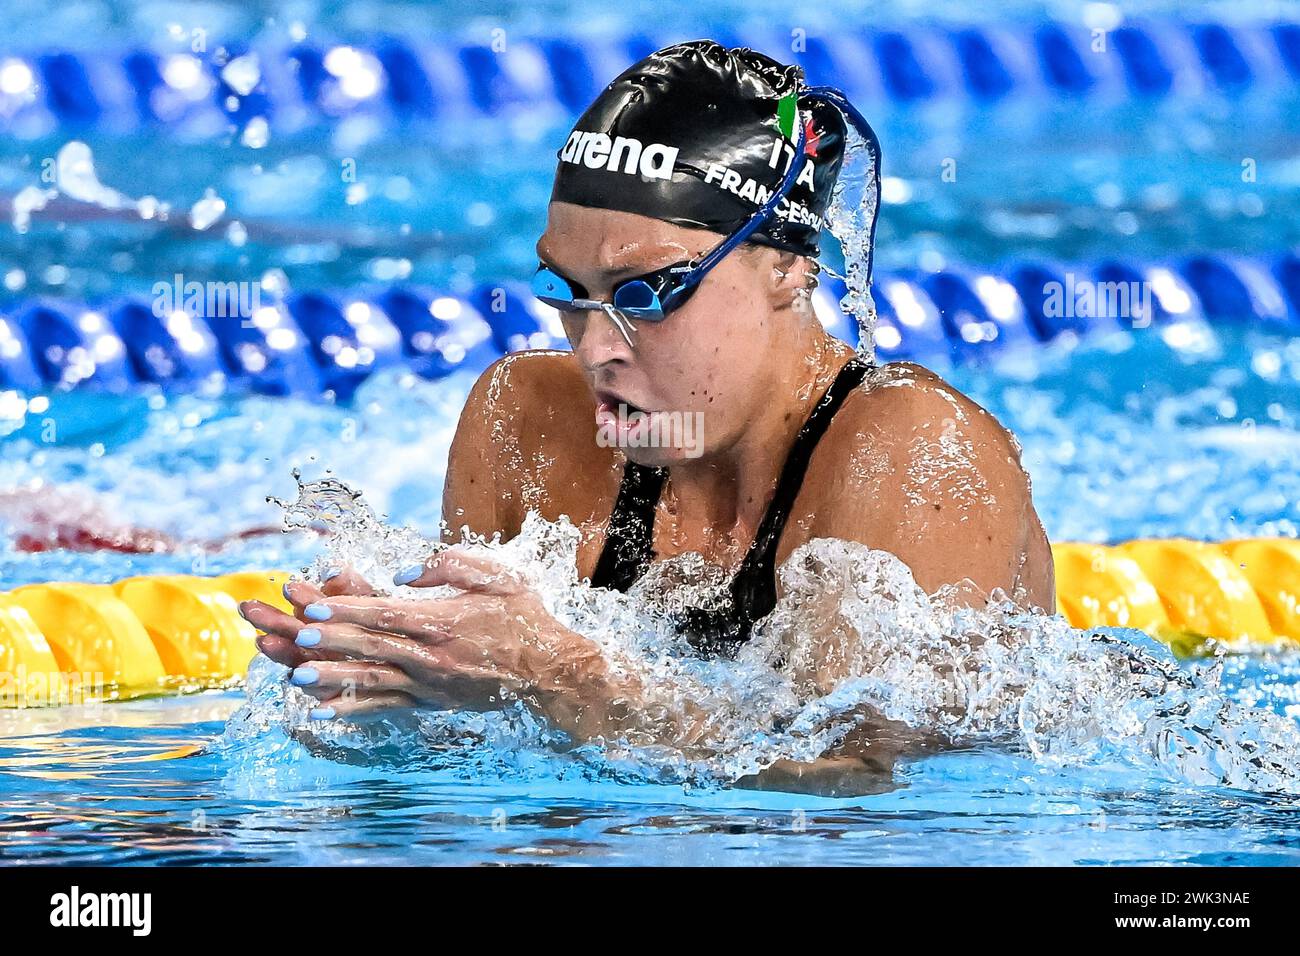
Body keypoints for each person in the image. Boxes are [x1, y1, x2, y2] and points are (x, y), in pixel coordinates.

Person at [239, 41, 1054, 789]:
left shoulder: (913, 453)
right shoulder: (523, 422)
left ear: (785, 267)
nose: (597, 348)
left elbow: (854, 787)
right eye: (570, 291)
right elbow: (503, 780)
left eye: (647, 294)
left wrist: (551, 673)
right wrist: (399, 690)